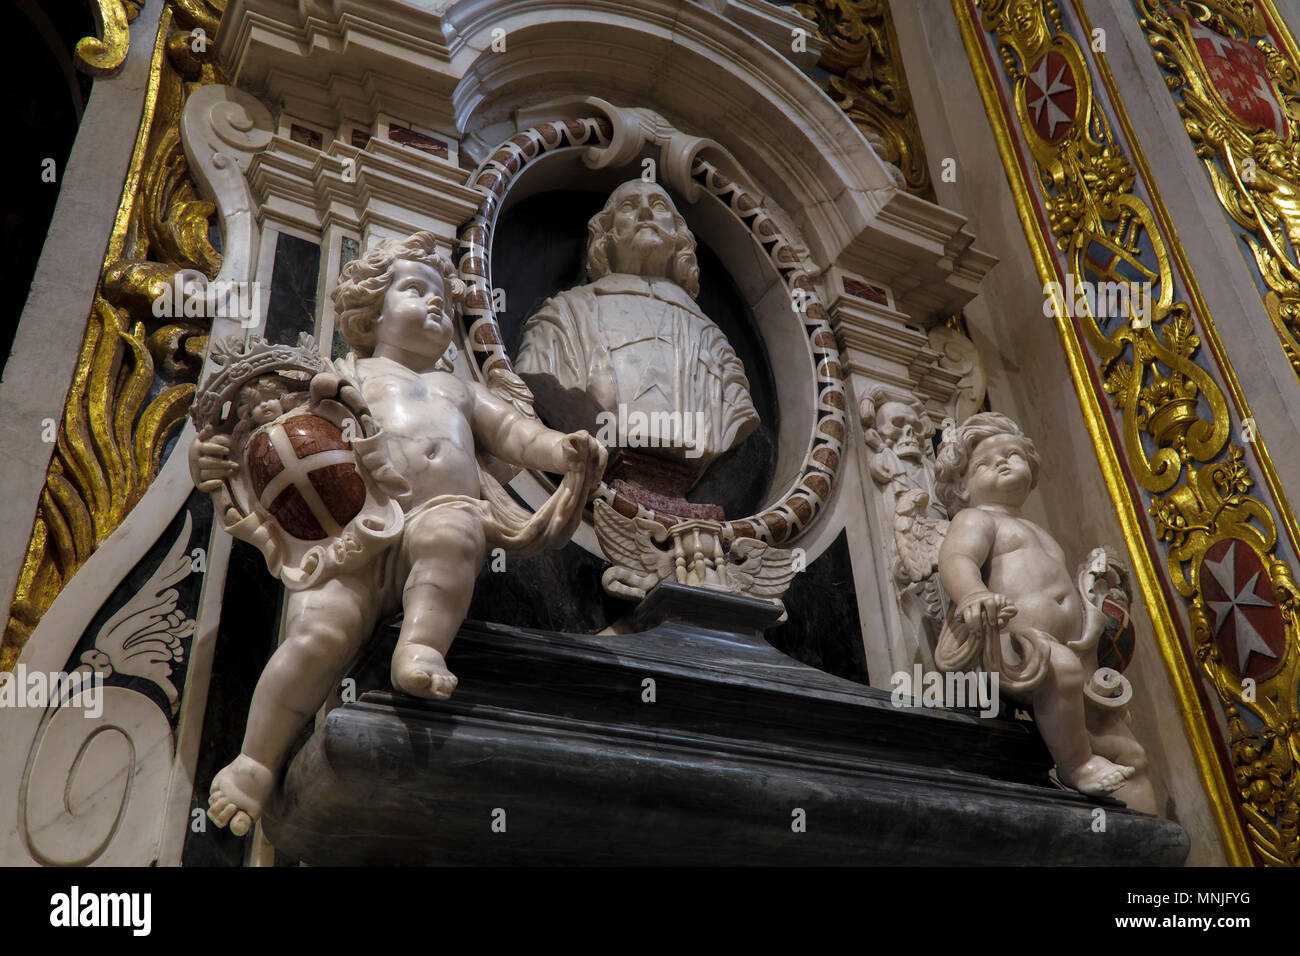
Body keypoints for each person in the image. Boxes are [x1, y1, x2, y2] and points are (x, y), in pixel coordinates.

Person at [190, 231, 606, 835]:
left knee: (456, 531)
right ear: (370, 312)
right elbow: (262, 444)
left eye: (442, 297)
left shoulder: (459, 389)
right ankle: (255, 761)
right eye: (415, 291)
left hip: (431, 518)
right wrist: (211, 462)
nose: (436, 305)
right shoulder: (339, 374)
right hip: (346, 540)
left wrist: (561, 448)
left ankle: (422, 645)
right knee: (318, 636)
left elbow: (516, 435)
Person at [935, 413, 1152, 808]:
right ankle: (1076, 764)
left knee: (1126, 748)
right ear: (960, 489)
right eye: (985, 463)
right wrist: (972, 596)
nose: (1003, 463)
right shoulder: (975, 518)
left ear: (1031, 470)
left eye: (1012, 454)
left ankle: (1147, 830)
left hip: (1073, 650)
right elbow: (957, 559)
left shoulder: (1038, 530)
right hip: (1017, 646)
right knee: (1062, 669)